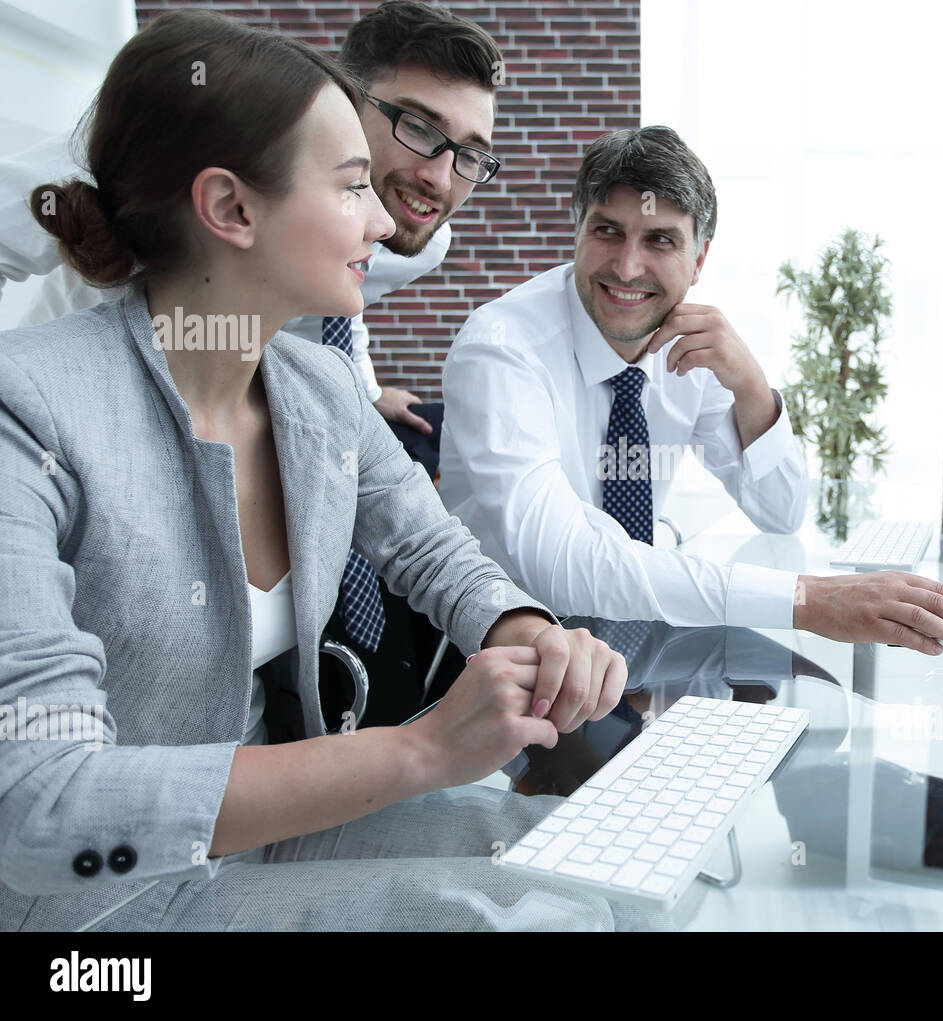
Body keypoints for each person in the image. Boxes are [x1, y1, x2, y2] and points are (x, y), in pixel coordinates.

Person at [0, 9, 635, 932]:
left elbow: (432, 549)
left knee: (584, 868)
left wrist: (529, 628)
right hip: (91, 911)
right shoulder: (30, 407)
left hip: (259, 836)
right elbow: (45, 803)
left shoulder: (319, 384)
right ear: (229, 209)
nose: (385, 214)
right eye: (350, 187)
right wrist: (418, 751)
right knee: (497, 921)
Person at [0, 0, 511, 654]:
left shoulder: (417, 240)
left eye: (471, 155)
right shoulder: (183, 126)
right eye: (419, 127)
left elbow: (339, 305)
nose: (440, 177)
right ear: (342, 98)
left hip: (241, 409)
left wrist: (359, 384)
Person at [439, 126, 943, 654]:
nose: (628, 268)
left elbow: (781, 511)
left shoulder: (691, 345)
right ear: (578, 233)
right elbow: (559, 563)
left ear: (699, 260)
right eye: (607, 231)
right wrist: (806, 600)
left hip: (635, 645)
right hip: (498, 658)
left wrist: (752, 385)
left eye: (659, 240)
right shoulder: (502, 347)